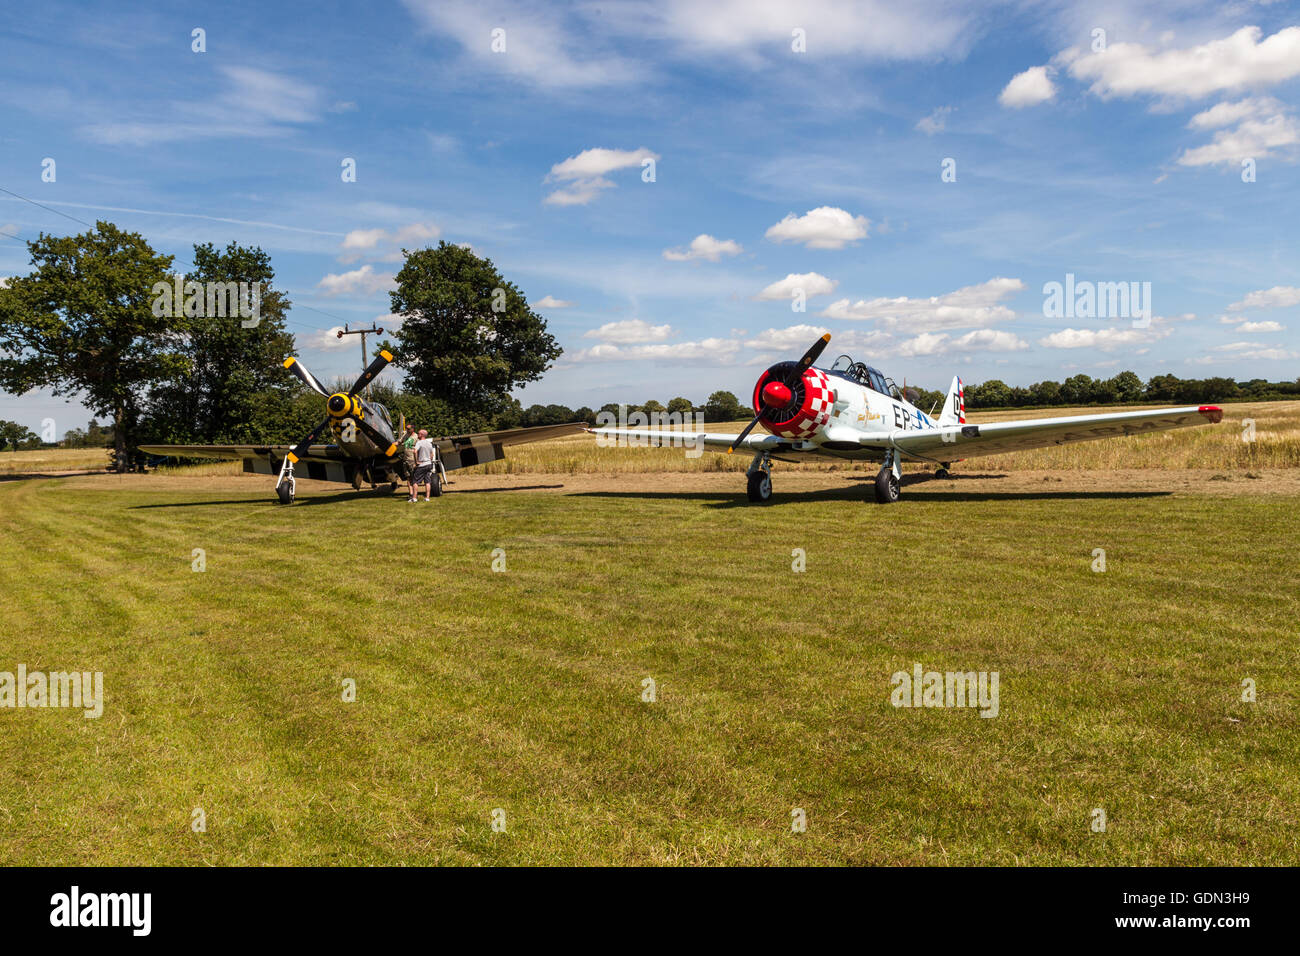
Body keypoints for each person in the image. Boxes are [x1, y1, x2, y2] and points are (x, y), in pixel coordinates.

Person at [411, 429, 436, 502]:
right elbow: (432, 454)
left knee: (415, 481)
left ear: (421, 435)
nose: (417, 435)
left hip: (422, 464)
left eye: (418, 433)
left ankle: (414, 498)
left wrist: (416, 462)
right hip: (429, 464)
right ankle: (427, 498)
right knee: (427, 481)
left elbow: (415, 451)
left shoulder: (419, 443)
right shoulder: (429, 443)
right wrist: (429, 460)